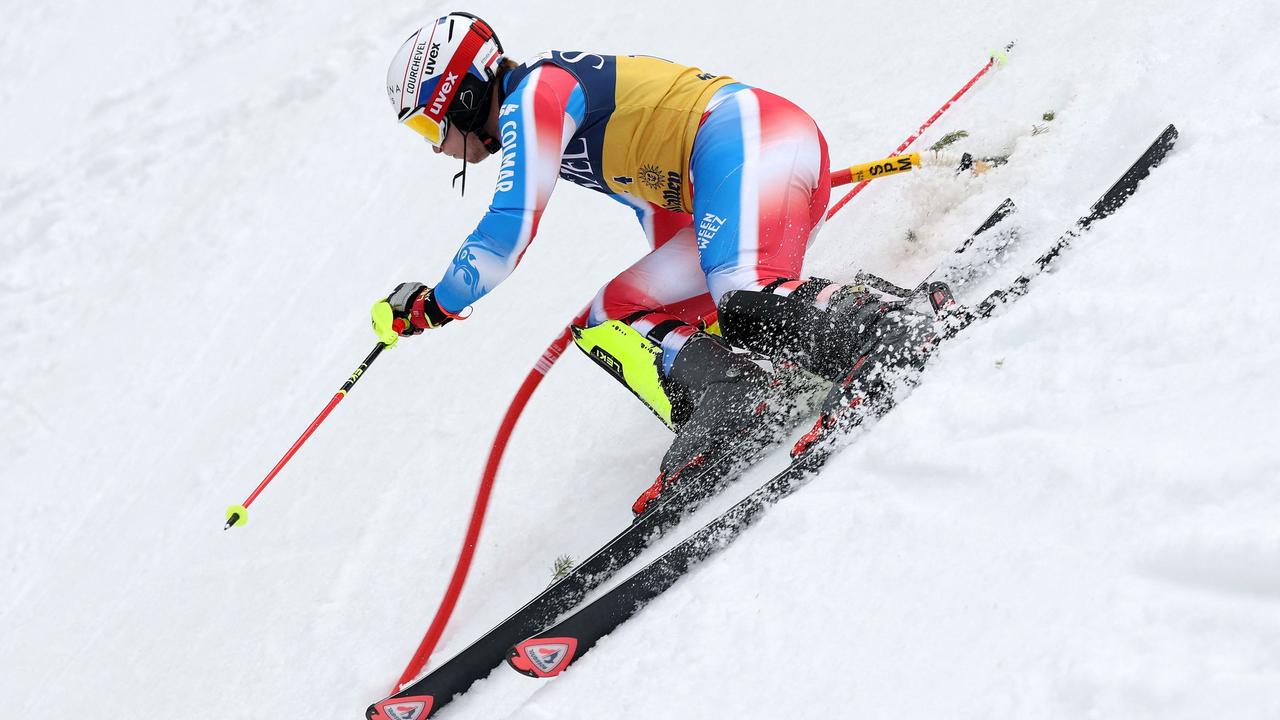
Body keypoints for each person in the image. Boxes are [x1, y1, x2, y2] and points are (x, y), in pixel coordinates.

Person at [372, 13, 932, 515]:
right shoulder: (549, 107)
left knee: (740, 292)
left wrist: (433, 304)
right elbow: (658, 206)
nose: (435, 145)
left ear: (464, 96)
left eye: (430, 125)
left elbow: (509, 227)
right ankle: (734, 397)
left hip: (759, 144)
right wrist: (695, 316)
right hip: (746, 171)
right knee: (611, 317)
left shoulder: (536, 95)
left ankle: (881, 326)